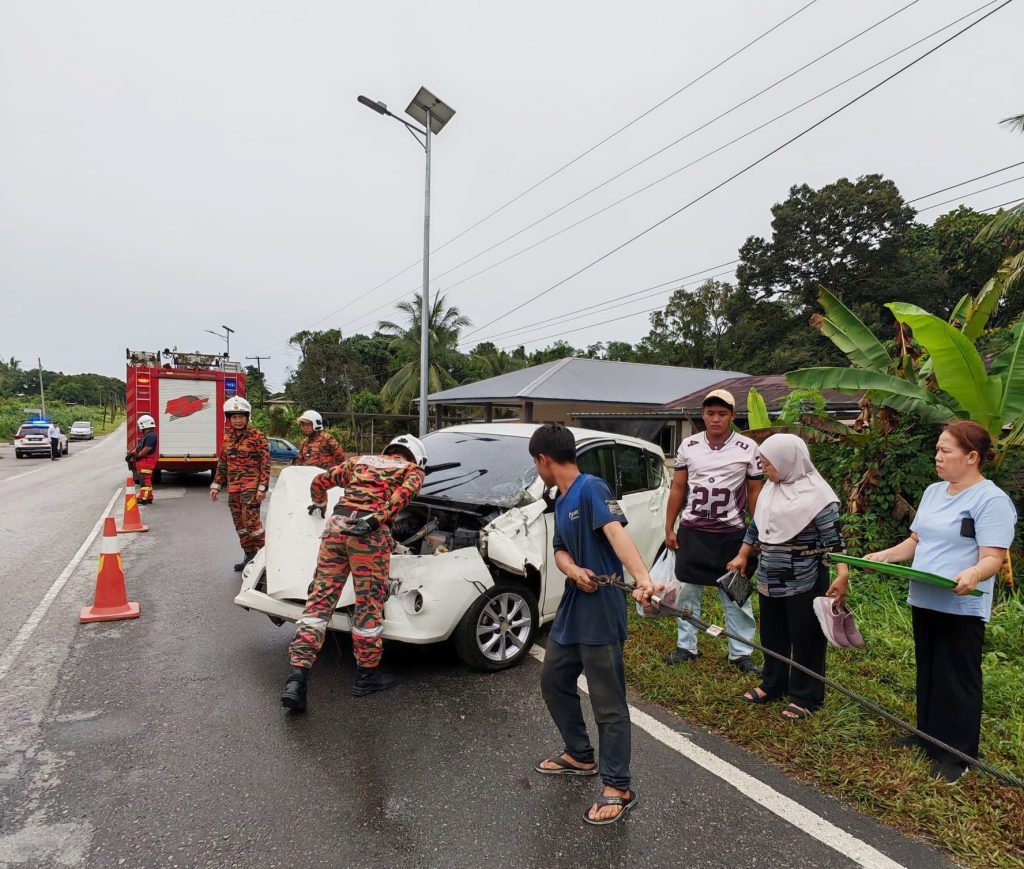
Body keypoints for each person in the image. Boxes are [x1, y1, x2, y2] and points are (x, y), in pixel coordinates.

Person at [860, 421, 1016, 782]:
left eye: (946, 451)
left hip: (961, 604)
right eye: (937, 450)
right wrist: (885, 555)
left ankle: (957, 755)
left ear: (972, 457)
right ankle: (927, 736)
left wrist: (974, 574)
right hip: (924, 596)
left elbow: (993, 557)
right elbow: (916, 541)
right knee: (929, 670)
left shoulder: (990, 500)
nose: (938, 457)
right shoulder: (933, 492)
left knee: (957, 677)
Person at [529, 423, 660, 827]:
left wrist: (643, 579)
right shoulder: (561, 497)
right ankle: (579, 754)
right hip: (573, 604)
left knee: (607, 702)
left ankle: (618, 785)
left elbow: (616, 533)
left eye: (536, 464)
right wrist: (572, 570)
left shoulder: (592, 488)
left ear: (543, 460)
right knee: (553, 680)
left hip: (602, 606)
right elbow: (561, 551)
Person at [281, 434, 427, 708]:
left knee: (318, 605)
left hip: (335, 529)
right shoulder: (412, 470)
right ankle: (366, 677)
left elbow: (318, 482)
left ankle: (297, 678)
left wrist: (322, 503)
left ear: (389, 450)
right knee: (368, 606)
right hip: (368, 537)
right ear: (416, 457)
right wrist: (376, 519)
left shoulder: (358, 461)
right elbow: (402, 497)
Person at [726, 433, 849, 720]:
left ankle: (806, 697)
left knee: (806, 638)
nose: (765, 469)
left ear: (788, 461)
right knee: (773, 634)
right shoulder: (771, 489)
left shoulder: (819, 497)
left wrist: (843, 575)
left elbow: (835, 541)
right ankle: (773, 683)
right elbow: (757, 526)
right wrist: (743, 554)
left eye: (769, 464)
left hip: (804, 576)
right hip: (770, 574)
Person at [664, 389, 763, 673]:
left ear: (732, 416)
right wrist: (669, 527)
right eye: (710, 413)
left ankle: (741, 652)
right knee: (687, 593)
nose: (715, 419)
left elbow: (755, 493)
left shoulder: (747, 448)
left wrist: (756, 535)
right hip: (693, 531)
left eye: (722, 414)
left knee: (736, 596)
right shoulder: (689, 446)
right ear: (703, 415)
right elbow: (678, 488)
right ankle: (686, 646)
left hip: (731, 534)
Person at [209, 397, 270, 572]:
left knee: (252, 524)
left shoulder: (257, 436)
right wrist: (216, 484)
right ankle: (250, 556)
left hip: (251, 488)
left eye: (241, 416)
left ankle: (267, 557)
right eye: (234, 417)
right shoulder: (227, 439)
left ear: (247, 417)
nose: (237, 420)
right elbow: (222, 463)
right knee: (240, 526)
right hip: (234, 489)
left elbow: (265, 463)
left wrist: (262, 486)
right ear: (229, 418)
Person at [127, 414, 158, 504]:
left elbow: (147, 448)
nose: (138, 427)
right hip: (144, 461)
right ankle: (149, 496)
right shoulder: (146, 436)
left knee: (144, 480)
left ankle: (143, 498)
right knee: (145, 479)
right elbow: (139, 447)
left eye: (139, 425)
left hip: (147, 461)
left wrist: (138, 455)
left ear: (144, 424)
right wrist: (131, 453)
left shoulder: (151, 436)